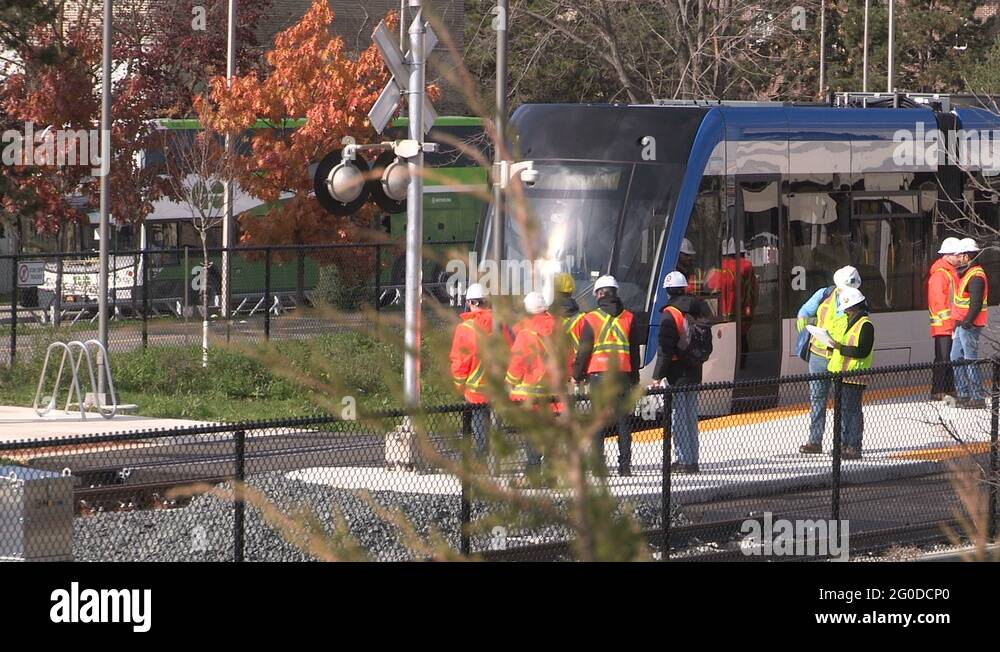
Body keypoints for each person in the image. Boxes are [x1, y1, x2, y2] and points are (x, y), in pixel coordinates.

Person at [573, 275, 641, 476]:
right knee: (623, 420)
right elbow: (634, 351)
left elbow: (584, 350)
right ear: (615, 292)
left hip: (598, 375)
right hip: (622, 375)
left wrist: (577, 374)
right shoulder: (629, 317)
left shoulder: (591, 318)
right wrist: (634, 376)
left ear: (599, 294)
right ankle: (625, 466)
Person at [651, 271, 713, 473]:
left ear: (667, 291)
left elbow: (665, 349)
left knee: (678, 417)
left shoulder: (670, 313)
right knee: (691, 416)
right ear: (685, 287)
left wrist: (657, 376)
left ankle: (684, 460)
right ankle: (693, 459)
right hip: (695, 368)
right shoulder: (698, 308)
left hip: (677, 372)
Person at [797, 266, 862, 454]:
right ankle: (815, 441)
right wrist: (803, 319)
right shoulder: (824, 294)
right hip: (818, 356)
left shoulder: (858, 303)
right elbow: (805, 311)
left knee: (845, 403)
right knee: (817, 399)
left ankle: (844, 443)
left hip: (841, 359)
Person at [505, 291, 560, 474]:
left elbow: (517, 363)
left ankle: (533, 470)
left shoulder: (525, 334)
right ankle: (552, 472)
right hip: (553, 395)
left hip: (530, 396)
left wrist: (510, 382)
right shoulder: (558, 330)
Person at [827, 287, 875, 460]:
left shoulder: (865, 325)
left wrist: (840, 348)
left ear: (853, 307)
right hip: (842, 375)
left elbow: (862, 350)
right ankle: (842, 444)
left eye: (846, 309)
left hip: (855, 376)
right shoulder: (851, 322)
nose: (845, 312)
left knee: (852, 412)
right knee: (842, 412)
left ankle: (853, 446)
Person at [450, 283, 497, 458]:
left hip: (476, 390)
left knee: (477, 427)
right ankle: (493, 459)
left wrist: (459, 386)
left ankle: (480, 461)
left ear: (470, 303)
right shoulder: (501, 326)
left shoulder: (465, 329)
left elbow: (460, 363)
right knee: (495, 425)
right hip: (500, 387)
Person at [951, 238, 989, 409]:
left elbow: (976, 304)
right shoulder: (968, 274)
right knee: (956, 357)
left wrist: (966, 322)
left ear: (967, 256)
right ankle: (964, 394)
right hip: (962, 324)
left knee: (969, 359)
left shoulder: (976, 277)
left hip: (970, 325)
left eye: (959, 255)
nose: (957, 258)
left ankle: (976, 396)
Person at [928, 237, 962, 400]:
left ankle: (948, 389)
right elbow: (939, 302)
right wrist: (952, 322)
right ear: (949, 255)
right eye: (958, 255)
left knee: (947, 358)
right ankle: (938, 390)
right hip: (945, 325)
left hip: (948, 324)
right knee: (943, 358)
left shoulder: (948, 273)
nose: (960, 258)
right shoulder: (942, 275)